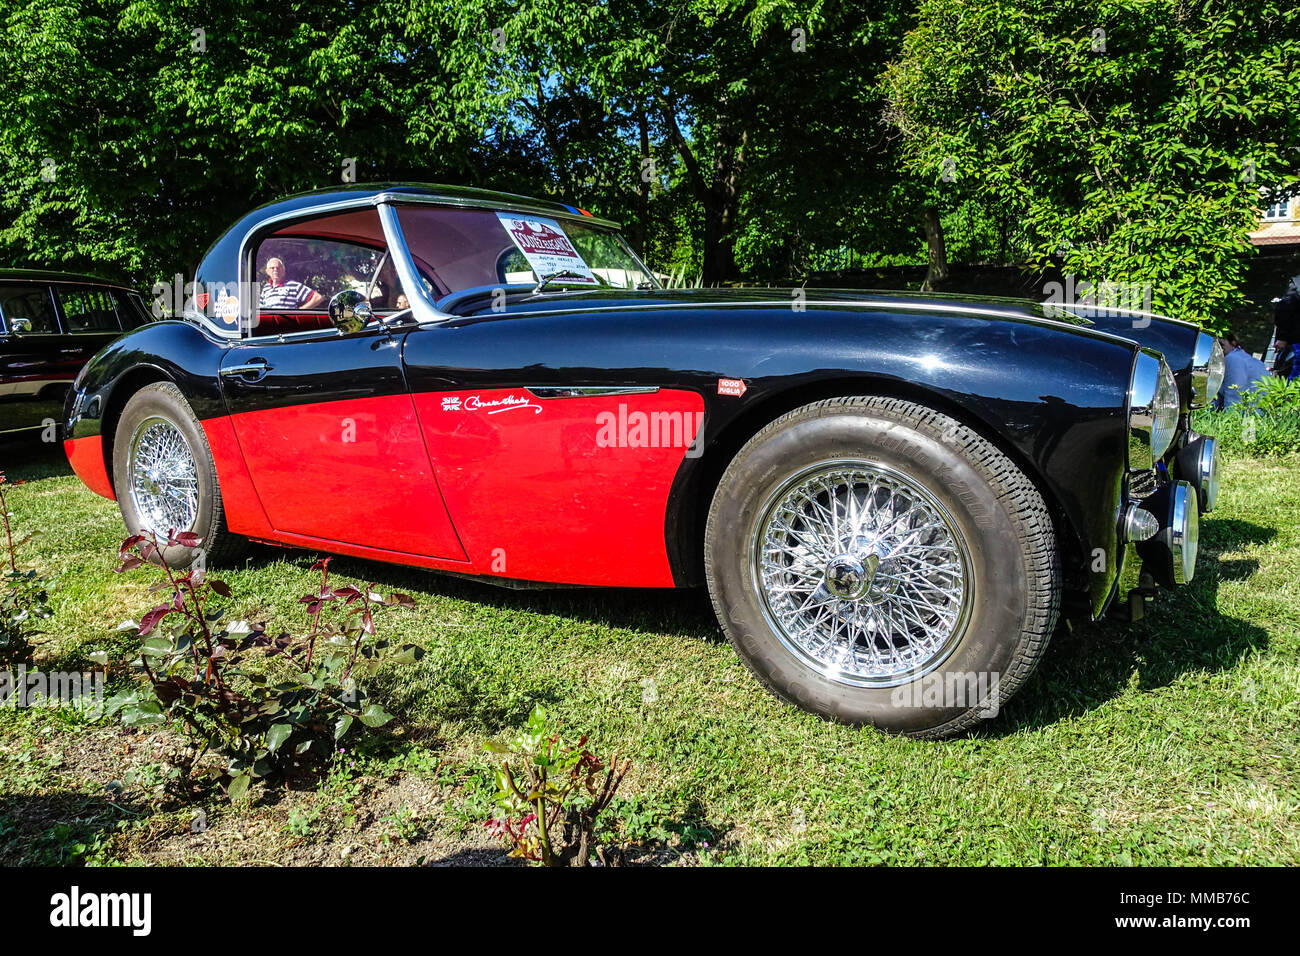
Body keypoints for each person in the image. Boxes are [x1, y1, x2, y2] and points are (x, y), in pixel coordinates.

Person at [1217, 332, 1269, 407]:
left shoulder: (1232, 358)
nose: (1218, 349)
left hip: (1248, 412)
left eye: (1221, 345)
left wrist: (1229, 417)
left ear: (1233, 343)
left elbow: (1234, 394)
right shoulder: (1246, 358)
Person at [259, 257, 324, 310]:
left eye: (278, 268)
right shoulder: (266, 288)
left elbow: (318, 298)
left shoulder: (293, 286)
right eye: (272, 268)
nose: (275, 270)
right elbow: (259, 308)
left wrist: (300, 311)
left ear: (283, 270)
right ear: (267, 271)